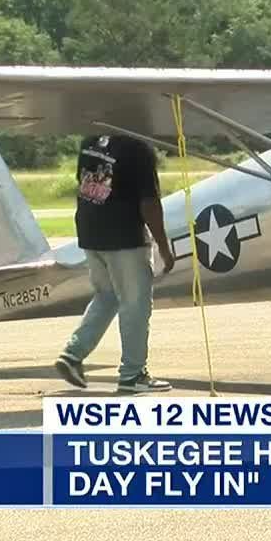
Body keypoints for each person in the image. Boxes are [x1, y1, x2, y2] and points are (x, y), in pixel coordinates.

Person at [54, 134, 176, 393]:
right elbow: (149, 203)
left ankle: (73, 354)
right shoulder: (138, 147)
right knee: (135, 305)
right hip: (124, 237)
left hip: (90, 233)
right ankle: (133, 375)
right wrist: (164, 248)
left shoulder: (89, 141)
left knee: (107, 295)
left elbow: (83, 185)